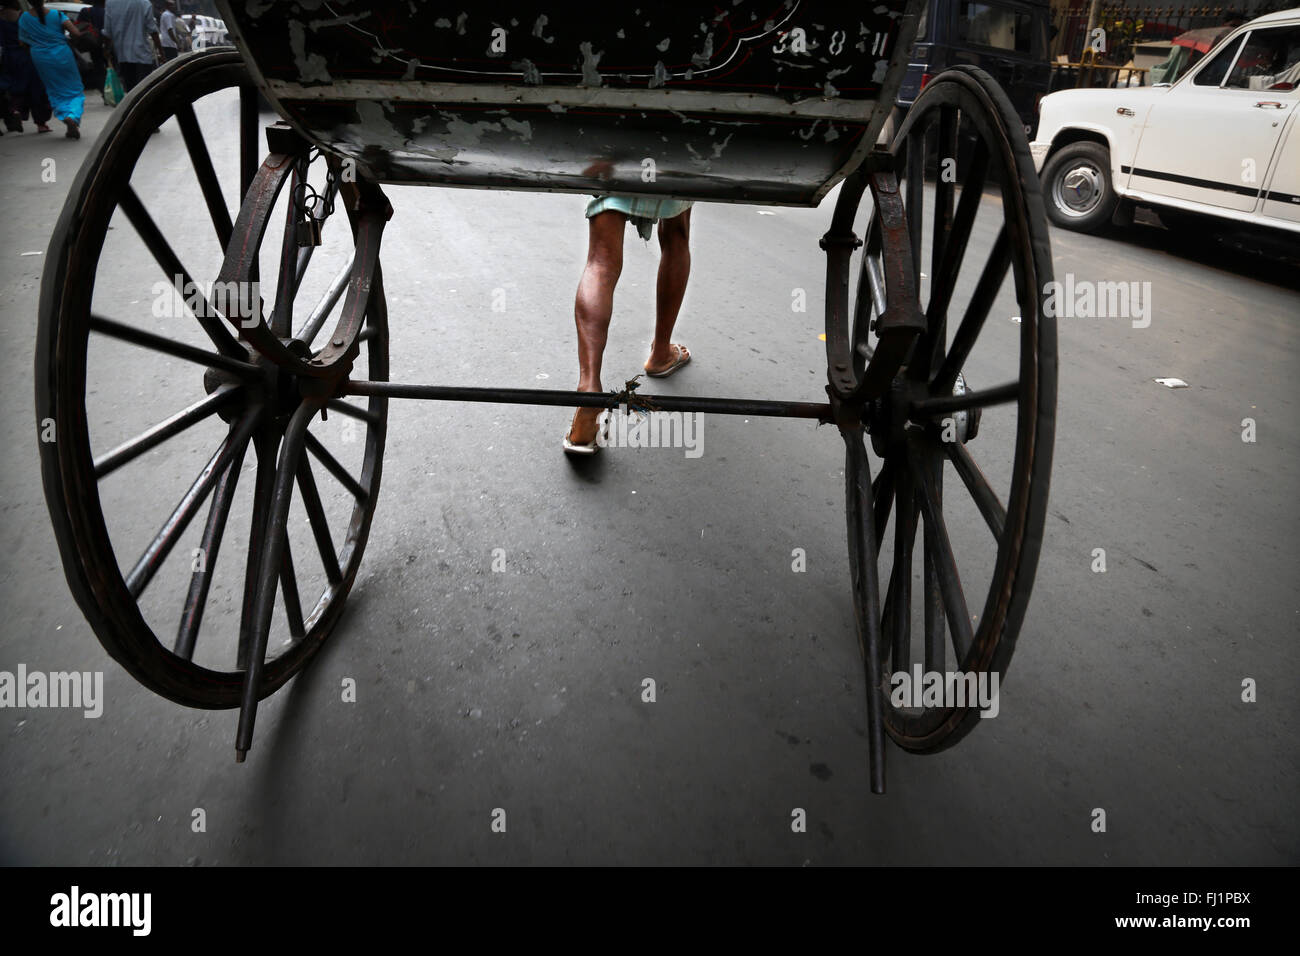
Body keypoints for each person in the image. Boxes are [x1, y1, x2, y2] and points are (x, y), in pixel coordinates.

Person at [564, 194, 694, 455]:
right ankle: (660, 353)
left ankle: (588, 389)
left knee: (601, 261)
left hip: (621, 157)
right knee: (676, 235)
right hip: (673, 159)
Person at [17, 0, 84, 138]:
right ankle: (72, 115)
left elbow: (22, 42)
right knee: (74, 89)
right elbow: (75, 33)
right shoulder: (56, 14)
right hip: (63, 54)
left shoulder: (24, 17)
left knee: (54, 89)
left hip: (41, 58)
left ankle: (65, 116)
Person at [0, 0, 53, 133]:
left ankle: (16, 111)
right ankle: (41, 124)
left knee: (16, 89)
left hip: (9, 59)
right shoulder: (24, 17)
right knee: (37, 90)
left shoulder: (1, 20)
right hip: (28, 56)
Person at [102, 0, 159, 93]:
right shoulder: (144, 2)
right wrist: (161, 52)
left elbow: (107, 32)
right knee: (146, 91)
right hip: (143, 56)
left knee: (131, 92)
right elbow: (152, 30)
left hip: (123, 56)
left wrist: (106, 50)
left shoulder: (110, 3)